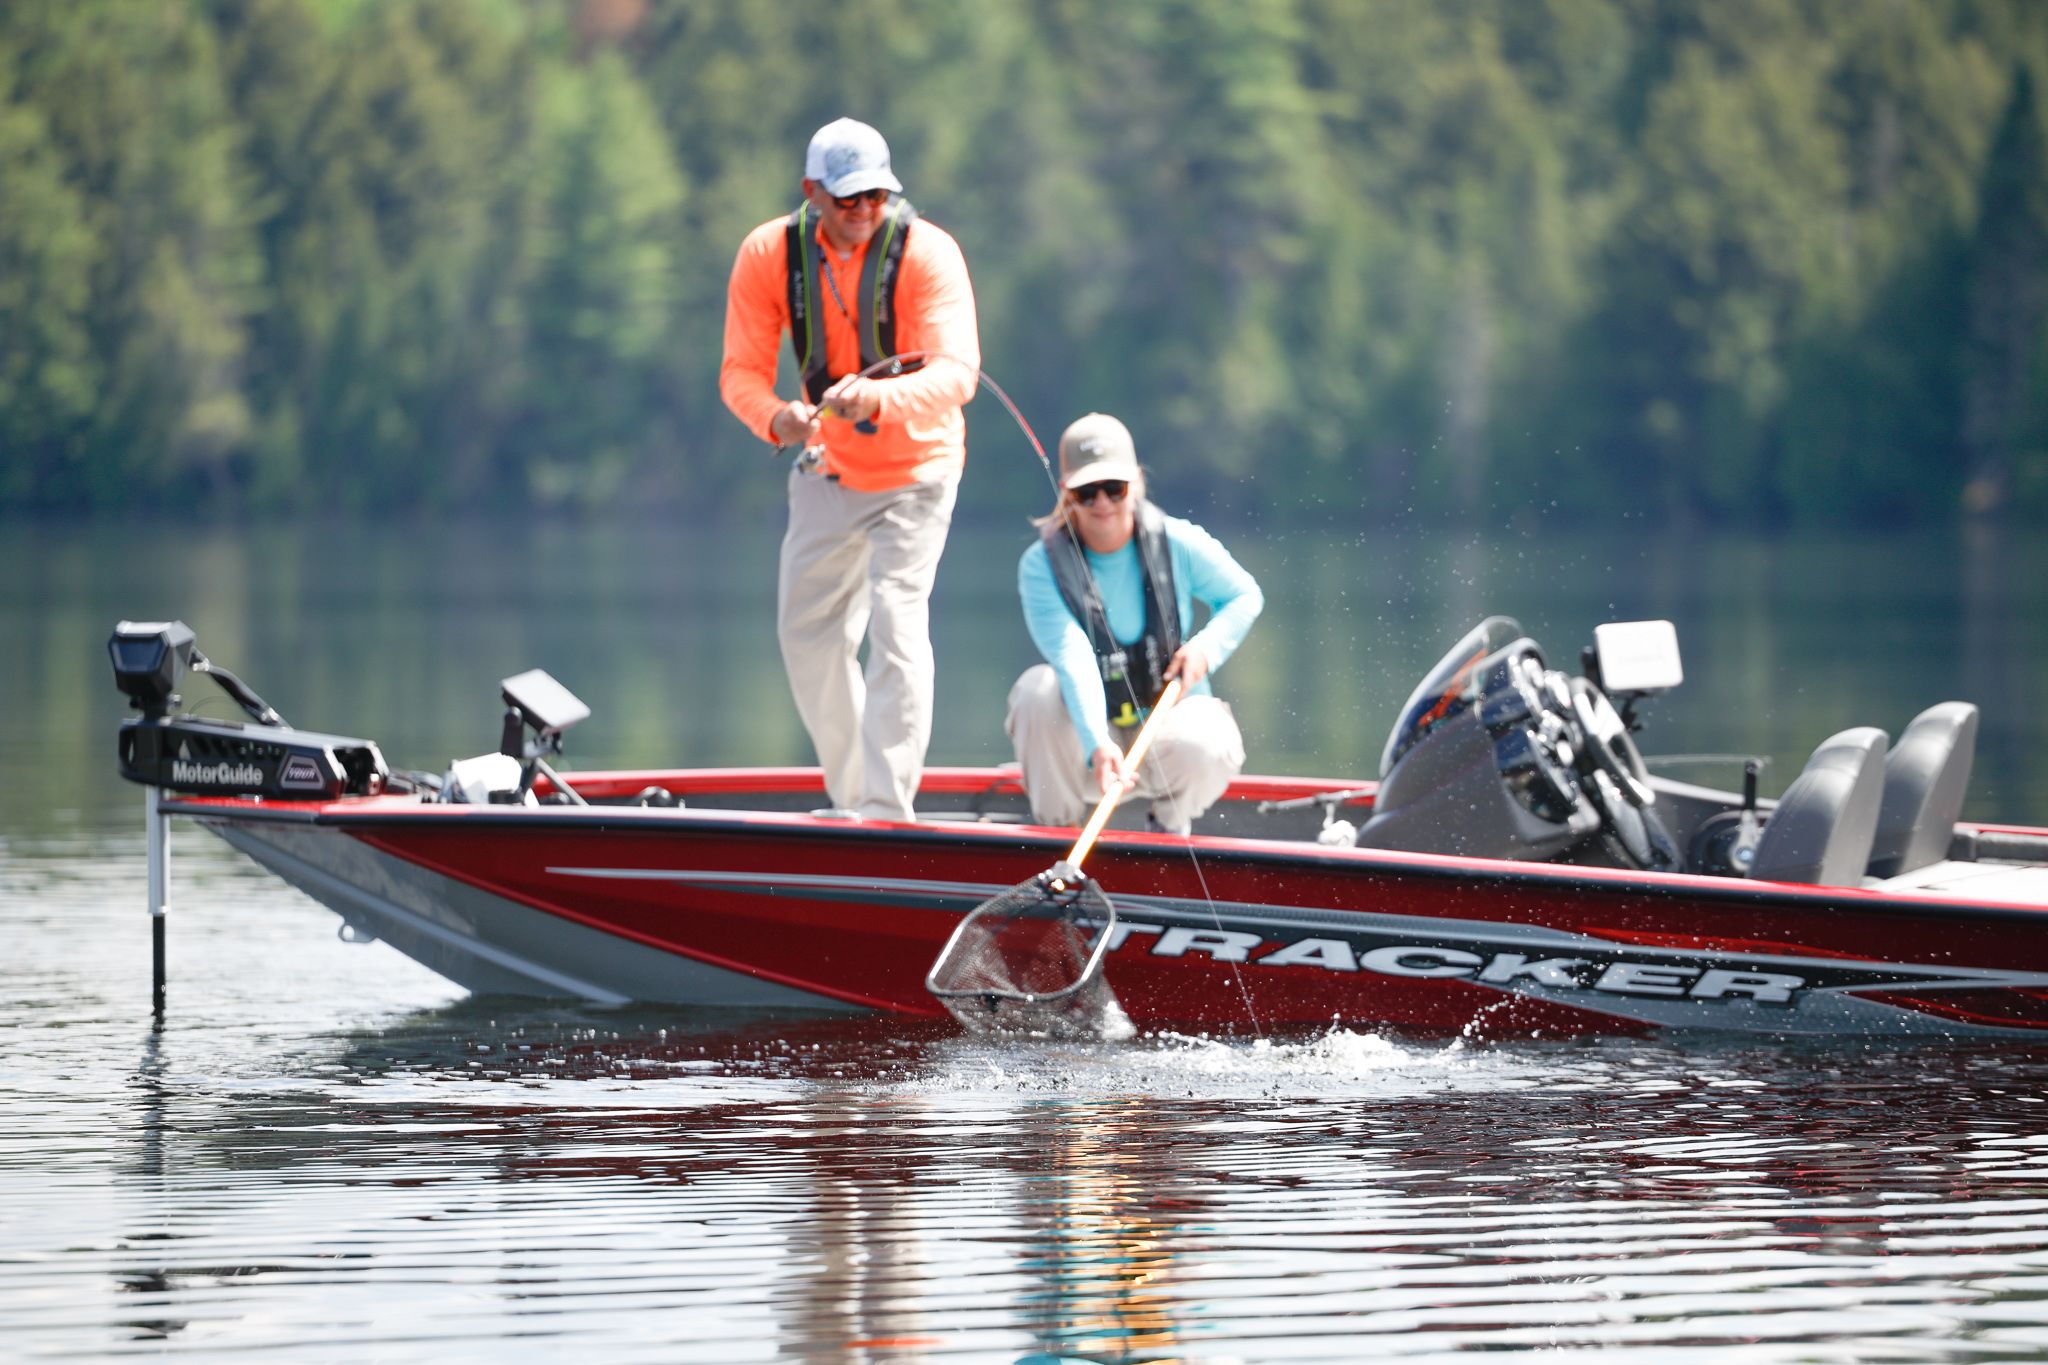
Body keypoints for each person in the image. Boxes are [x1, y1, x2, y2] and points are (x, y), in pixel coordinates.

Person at [720, 118, 980, 822]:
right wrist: (777, 417)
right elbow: (740, 373)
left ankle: (886, 811)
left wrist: (879, 395)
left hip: (919, 469)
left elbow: (959, 374)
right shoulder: (766, 253)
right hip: (828, 469)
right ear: (812, 192)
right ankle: (851, 794)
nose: (864, 210)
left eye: (876, 195)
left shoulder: (929, 254)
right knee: (806, 635)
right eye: (848, 199)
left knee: (897, 625)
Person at [1007, 413, 1263, 833]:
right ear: (1067, 493)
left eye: (1114, 488)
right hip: (1091, 752)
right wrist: (1098, 746)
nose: (1103, 502)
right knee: (1037, 690)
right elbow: (1073, 656)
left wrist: (1205, 648)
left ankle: (1166, 831)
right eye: (1088, 492)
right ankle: (1058, 832)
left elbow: (1244, 595)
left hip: (1167, 737)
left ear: (1137, 482)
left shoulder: (1179, 540)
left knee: (1208, 739)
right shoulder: (1040, 566)